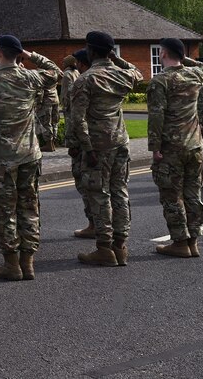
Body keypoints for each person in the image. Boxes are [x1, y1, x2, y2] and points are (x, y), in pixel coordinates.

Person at [0, 36, 60, 282]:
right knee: (29, 207)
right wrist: (31, 55)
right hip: (30, 155)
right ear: (18, 54)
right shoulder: (31, 77)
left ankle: (12, 264)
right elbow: (55, 72)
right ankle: (28, 262)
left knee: (6, 211)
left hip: (4, 157)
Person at [67, 32, 143, 267]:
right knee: (119, 191)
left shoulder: (86, 79)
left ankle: (104, 248)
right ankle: (120, 246)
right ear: (110, 52)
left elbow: (77, 121)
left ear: (90, 51)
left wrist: (84, 149)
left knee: (99, 195)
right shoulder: (122, 75)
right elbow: (138, 73)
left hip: (97, 146)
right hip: (120, 142)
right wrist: (116, 58)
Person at [147, 38, 203, 258]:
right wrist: (182, 57)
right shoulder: (194, 75)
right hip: (195, 144)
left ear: (164, 54)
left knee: (171, 196)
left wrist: (155, 147)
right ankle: (193, 241)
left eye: (160, 52)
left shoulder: (160, 81)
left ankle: (179, 242)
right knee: (193, 193)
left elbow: (156, 116)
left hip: (171, 147)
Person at [64, 51, 95, 239]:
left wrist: (72, 142)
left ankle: (94, 225)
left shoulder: (79, 81)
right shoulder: (109, 77)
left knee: (86, 185)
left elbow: (74, 116)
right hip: (106, 140)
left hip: (85, 142)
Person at [36, 70, 60, 153]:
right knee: (54, 122)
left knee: (46, 122)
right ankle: (53, 144)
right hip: (55, 99)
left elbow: (40, 92)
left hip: (46, 101)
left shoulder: (41, 76)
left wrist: (38, 103)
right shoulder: (54, 74)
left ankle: (49, 144)